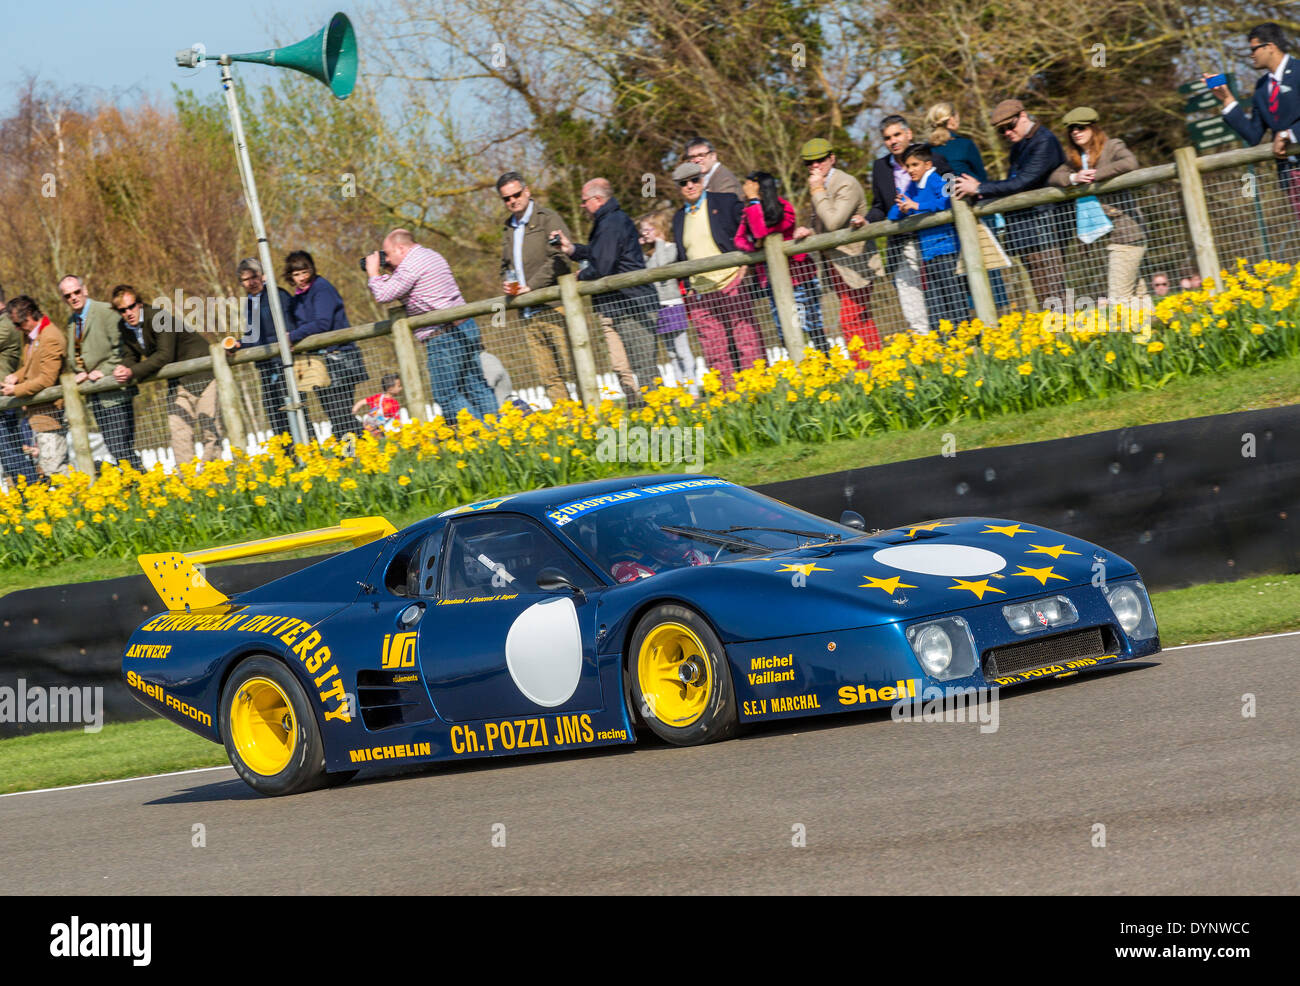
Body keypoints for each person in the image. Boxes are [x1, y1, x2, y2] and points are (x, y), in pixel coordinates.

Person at [365, 229, 496, 421]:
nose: (388, 259)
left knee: (446, 395)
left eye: (388, 255)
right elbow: (403, 290)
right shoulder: (430, 255)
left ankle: (481, 437)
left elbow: (384, 295)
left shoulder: (411, 265)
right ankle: (503, 434)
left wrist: (373, 273)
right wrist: (390, 272)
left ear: (400, 248)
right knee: (476, 387)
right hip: (465, 326)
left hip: (443, 335)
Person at [553, 179, 660, 408]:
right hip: (614, 307)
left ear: (597, 200)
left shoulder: (612, 222)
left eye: (584, 201)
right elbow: (598, 253)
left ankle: (660, 413)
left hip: (632, 304)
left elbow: (603, 265)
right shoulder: (606, 222)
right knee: (621, 367)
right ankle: (639, 413)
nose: (582, 206)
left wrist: (580, 277)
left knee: (643, 367)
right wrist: (572, 249)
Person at [952, 99, 1068, 308]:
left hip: (1046, 229)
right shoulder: (1019, 146)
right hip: (1028, 231)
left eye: (1010, 126)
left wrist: (980, 188)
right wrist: (981, 195)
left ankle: (1070, 336)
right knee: (1043, 295)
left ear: (1023, 116)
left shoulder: (1044, 141)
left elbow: (1021, 183)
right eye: (1001, 130)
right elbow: (1012, 186)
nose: (1006, 133)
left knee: (1053, 294)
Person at [670, 161, 764, 389]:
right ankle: (728, 397)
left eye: (695, 180)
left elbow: (748, 231)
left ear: (702, 180)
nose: (690, 186)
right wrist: (688, 287)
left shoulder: (725, 202)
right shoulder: (678, 218)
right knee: (714, 351)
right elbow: (682, 255)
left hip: (732, 283)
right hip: (700, 293)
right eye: (684, 183)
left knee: (747, 341)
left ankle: (759, 389)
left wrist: (744, 265)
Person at [112, 283, 222, 464]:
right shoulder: (124, 327)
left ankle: (213, 477)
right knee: (179, 431)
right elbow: (131, 355)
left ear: (139, 303)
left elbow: (164, 355)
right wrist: (123, 367)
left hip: (202, 372)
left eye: (131, 307)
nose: (128, 313)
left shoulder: (158, 317)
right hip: (177, 380)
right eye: (122, 310)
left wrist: (132, 371)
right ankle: (185, 482)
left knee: (209, 427)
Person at [1049, 107, 1147, 303]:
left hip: (1127, 233)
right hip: (1104, 239)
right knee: (1138, 297)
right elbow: (1054, 177)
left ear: (1093, 128)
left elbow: (1130, 163)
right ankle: (1154, 330)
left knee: (1119, 299)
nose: (1075, 132)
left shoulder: (1112, 146)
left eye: (1080, 127)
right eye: (1071, 129)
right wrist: (1074, 177)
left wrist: (1094, 176)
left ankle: (1127, 331)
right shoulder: (1075, 159)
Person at [791, 138, 878, 359]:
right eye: (809, 163)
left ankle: (864, 370)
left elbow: (833, 223)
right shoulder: (820, 186)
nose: (814, 166)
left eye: (820, 160)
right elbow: (824, 226)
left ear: (832, 158)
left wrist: (818, 190)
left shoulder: (844, 183)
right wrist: (810, 232)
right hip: (834, 265)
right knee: (860, 319)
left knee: (850, 320)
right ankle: (878, 368)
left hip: (854, 263)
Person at [867, 117, 953, 334]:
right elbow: (880, 205)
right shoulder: (880, 167)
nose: (893, 141)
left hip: (937, 237)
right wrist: (867, 220)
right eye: (887, 138)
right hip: (901, 241)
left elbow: (951, 188)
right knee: (909, 296)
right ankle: (924, 345)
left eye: (897, 135)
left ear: (909, 134)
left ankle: (958, 338)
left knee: (947, 293)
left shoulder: (933, 158)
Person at [497, 171, 575, 406]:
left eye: (516, 194)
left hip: (556, 306)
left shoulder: (547, 218)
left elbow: (560, 258)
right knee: (549, 376)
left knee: (574, 367)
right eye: (506, 198)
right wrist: (506, 282)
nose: (512, 201)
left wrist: (532, 286)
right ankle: (567, 423)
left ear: (527, 191)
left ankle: (591, 417)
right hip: (528, 314)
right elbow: (504, 265)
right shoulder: (508, 228)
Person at [1211, 23, 1300, 221]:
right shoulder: (1261, 87)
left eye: (1253, 49)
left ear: (1270, 46)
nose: (1251, 55)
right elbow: (1253, 135)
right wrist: (1227, 99)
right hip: (1290, 175)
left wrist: (1289, 134)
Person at [925, 101, 1010, 309]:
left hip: (944, 220)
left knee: (959, 279)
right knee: (989, 268)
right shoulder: (965, 145)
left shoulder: (925, 152)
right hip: (975, 212)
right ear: (953, 119)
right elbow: (981, 177)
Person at [733, 171, 827, 352]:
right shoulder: (748, 212)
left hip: (799, 279)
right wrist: (756, 248)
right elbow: (739, 239)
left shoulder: (785, 208)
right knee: (784, 329)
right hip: (772, 282)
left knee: (811, 325)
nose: (743, 188)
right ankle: (799, 371)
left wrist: (753, 201)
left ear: (758, 186)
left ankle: (826, 368)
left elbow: (761, 232)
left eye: (747, 184)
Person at [58, 274, 140, 471]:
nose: (74, 297)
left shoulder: (105, 312)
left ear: (84, 290)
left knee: (121, 448)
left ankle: (145, 485)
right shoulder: (72, 321)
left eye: (76, 292)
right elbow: (78, 354)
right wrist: (80, 372)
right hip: (95, 394)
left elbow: (122, 349)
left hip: (115, 391)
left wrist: (103, 371)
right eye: (68, 295)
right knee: (115, 448)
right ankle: (139, 486)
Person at [286, 250, 366, 442]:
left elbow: (323, 323)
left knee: (341, 417)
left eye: (304, 272)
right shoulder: (298, 298)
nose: (301, 278)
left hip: (340, 359)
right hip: (320, 362)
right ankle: (357, 453)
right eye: (296, 274)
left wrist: (292, 337)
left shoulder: (322, 288)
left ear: (312, 270)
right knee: (336, 415)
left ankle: (356, 455)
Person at [887, 145, 968, 333]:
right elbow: (893, 215)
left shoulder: (935, 180)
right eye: (907, 166)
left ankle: (968, 339)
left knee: (954, 298)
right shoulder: (913, 186)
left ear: (928, 164)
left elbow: (947, 201)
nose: (910, 170)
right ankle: (946, 342)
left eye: (915, 165)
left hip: (946, 248)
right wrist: (901, 206)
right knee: (935, 301)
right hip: (928, 253)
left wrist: (916, 205)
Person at [2, 295, 67, 481]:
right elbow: (32, 366)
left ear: (30, 314)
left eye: (18, 323)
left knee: (53, 468)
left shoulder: (50, 337)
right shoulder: (33, 336)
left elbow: (47, 378)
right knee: (47, 467)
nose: (16, 328)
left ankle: (86, 494)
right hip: (37, 415)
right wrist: (17, 376)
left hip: (52, 413)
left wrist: (16, 390)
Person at [638, 211, 697, 391]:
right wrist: (639, 247)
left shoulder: (670, 248)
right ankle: (681, 390)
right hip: (658, 307)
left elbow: (662, 265)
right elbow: (643, 270)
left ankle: (693, 388)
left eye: (648, 230)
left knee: (682, 350)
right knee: (671, 353)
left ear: (659, 229)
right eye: (643, 231)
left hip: (673, 304)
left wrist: (660, 241)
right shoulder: (648, 254)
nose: (644, 234)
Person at [236, 258, 292, 439]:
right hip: (265, 367)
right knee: (275, 416)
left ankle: (308, 455)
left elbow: (288, 329)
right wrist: (238, 344)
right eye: (246, 279)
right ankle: (287, 460)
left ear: (263, 276)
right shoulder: (250, 303)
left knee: (294, 411)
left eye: (254, 277)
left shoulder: (278, 296)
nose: (251, 282)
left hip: (284, 364)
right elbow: (254, 336)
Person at [0, 287, 28, 482]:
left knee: (12, 457)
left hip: (4, 400)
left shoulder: (6, 324)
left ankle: (32, 495)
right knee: (9, 457)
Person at [352, 373, 403, 438]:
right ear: (390, 389)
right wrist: (404, 430)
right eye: (398, 386)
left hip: (368, 426)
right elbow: (397, 420)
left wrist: (354, 411)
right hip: (381, 430)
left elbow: (361, 402)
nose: (401, 388)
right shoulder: (394, 403)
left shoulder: (377, 397)